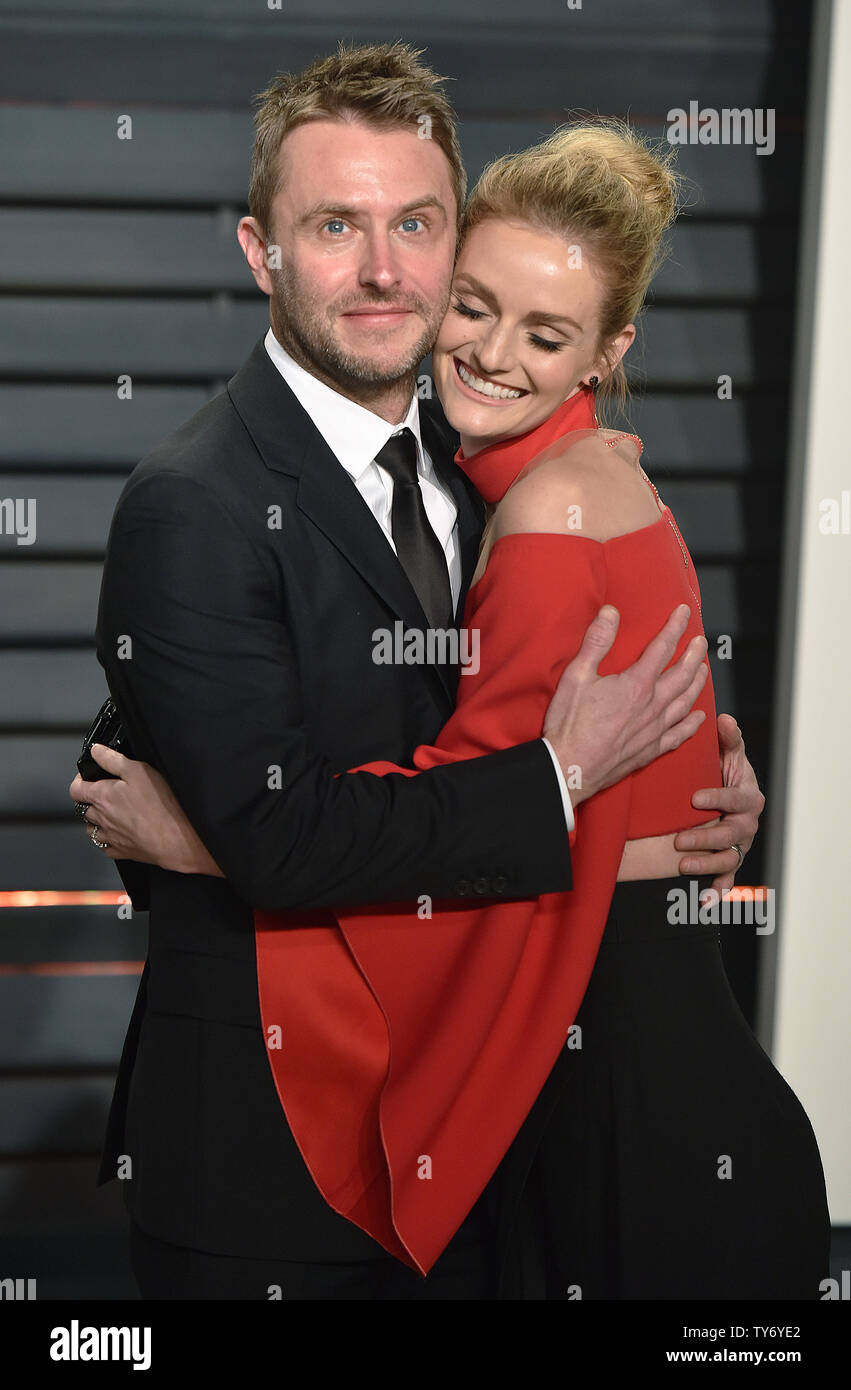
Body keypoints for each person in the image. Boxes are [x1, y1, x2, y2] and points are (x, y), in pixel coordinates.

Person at [69, 45, 767, 1301]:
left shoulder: (482, 455)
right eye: (334, 225)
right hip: (269, 1168)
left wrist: (660, 802)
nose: (384, 268)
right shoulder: (195, 501)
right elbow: (269, 820)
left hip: (475, 1147)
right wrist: (570, 789)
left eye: (415, 224)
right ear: (258, 251)